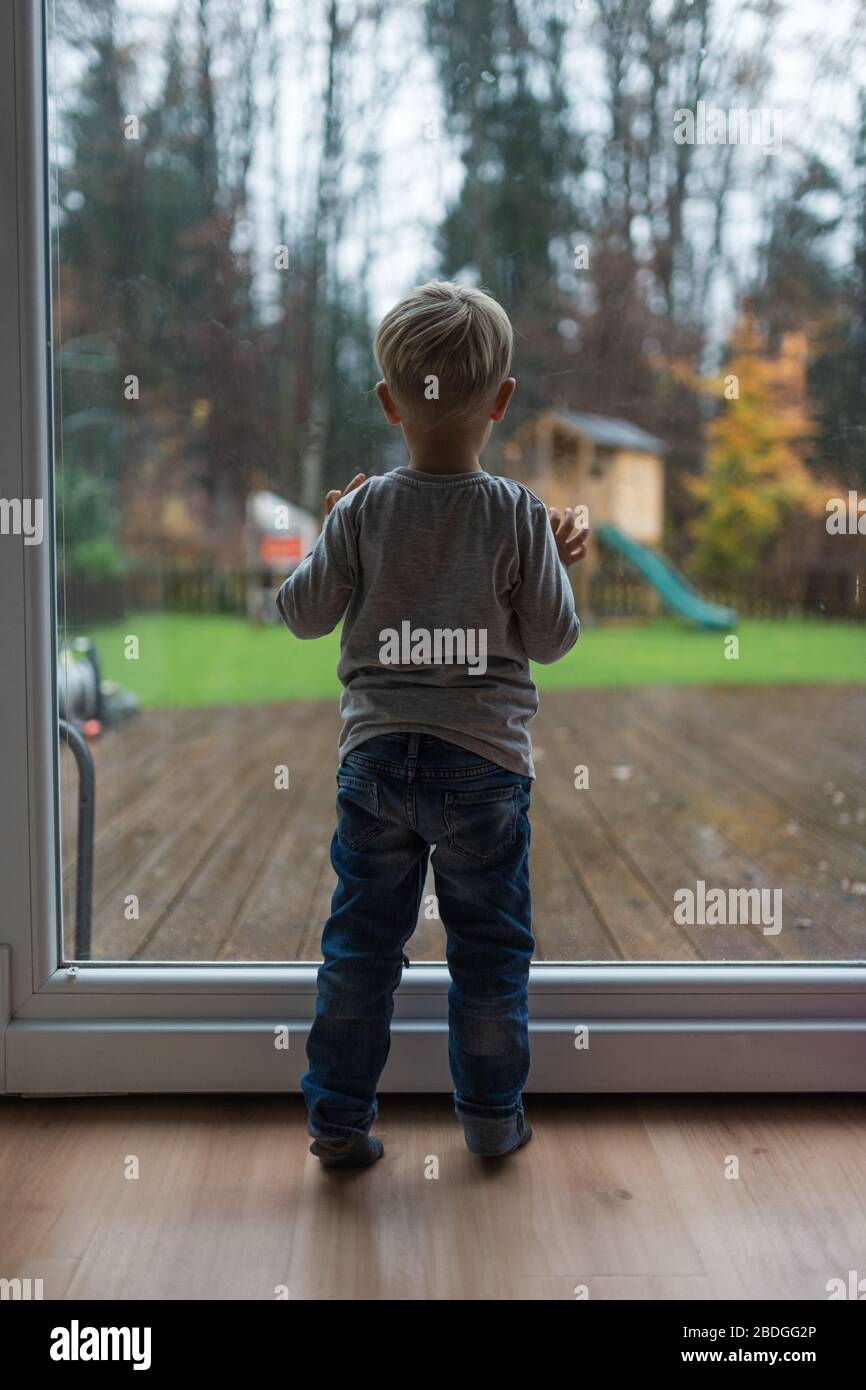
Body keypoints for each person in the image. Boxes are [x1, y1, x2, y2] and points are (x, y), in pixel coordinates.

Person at [277, 280, 587, 1168]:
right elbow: (555, 640)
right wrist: (553, 565)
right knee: (488, 951)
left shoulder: (367, 508)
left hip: (374, 763)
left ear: (388, 403)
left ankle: (338, 1121)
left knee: (360, 948)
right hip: (484, 769)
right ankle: (492, 1120)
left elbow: (300, 615)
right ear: (501, 400)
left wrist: (333, 527)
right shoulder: (517, 514)